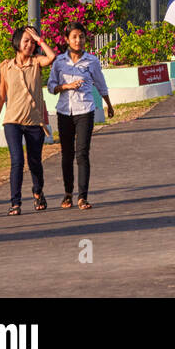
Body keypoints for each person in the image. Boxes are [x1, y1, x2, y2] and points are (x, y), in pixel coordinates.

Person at [47, 22, 114, 210]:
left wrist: (108, 104)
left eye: (81, 36)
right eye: (74, 37)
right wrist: (66, 86)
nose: (78, 40)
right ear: (67, 39)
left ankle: (83, 196)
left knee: (82, 153)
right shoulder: (59, 62)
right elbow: (52, 86)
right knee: (67, 154)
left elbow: (100, 83)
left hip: (85, 110)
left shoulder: (91, 61)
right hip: (64, 111)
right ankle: (68, 193)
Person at [0, 25, 56, 215]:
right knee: (17, 161)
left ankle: (38, 192)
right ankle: (15, 203)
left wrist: (40, 40)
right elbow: (1, 95)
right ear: (17, 42)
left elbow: (52, 57)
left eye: (31, 42)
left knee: (35, 161)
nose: (29, 45)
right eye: (25, 41)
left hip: (34, 122)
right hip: (12, 121)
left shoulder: (36, 62)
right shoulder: (5, 66)